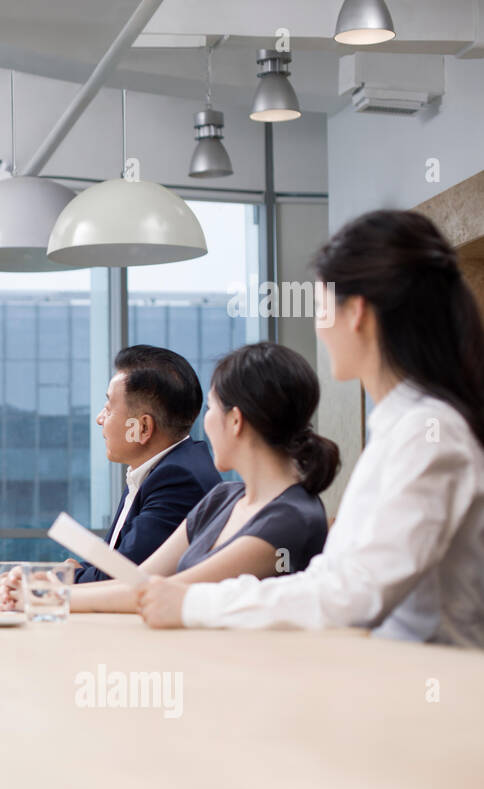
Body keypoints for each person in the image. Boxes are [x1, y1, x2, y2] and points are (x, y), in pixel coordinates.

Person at [138, 210, 484, 649]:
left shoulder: (429, 433)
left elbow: (355, 595)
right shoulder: (404, 428)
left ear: (356, 312)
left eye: (321, 307)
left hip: (432, 690)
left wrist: (195, 604)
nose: (319, 327)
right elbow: (333, 580)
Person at [67, 342, 336, 613]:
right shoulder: (223, 498)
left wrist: (49, 595)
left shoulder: (289, 519)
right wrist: (45, 589)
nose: (203, 425)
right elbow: (136, 580)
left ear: (235, 421)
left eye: (210, 408)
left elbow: (157, 594)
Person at [74, 345, 222, 582]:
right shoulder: (154, 469)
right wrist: (69, 571)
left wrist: (58, 579)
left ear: (142, 427)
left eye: (109, 408)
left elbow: (121, 577)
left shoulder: (178, 480)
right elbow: (112, 559)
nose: (100, 419)